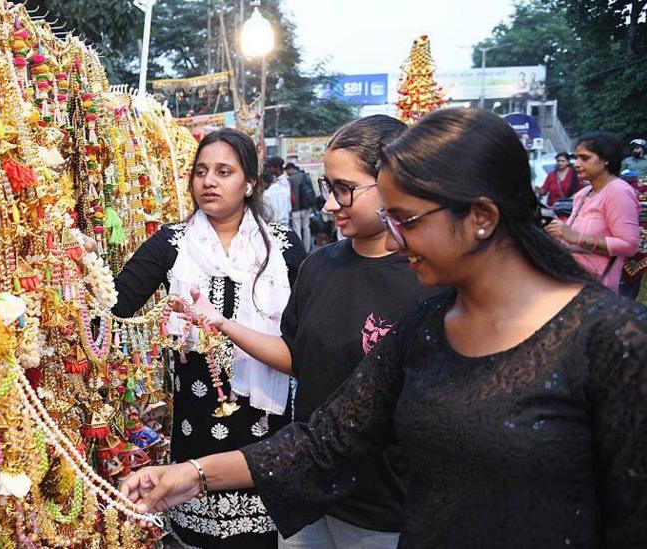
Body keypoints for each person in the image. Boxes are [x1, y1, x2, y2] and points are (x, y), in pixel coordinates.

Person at [121, 108, 647, 547]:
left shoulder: (610, 340)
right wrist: (193, 474)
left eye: (407, 219)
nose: (393, 239)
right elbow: (331, 438)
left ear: (481, 217)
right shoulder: (427, 322)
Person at [172, 115, 438, 549]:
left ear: (395, 183)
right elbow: (298, 359)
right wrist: (223, 324)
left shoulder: (427, 279)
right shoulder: (320, 266)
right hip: (308, 493)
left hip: (384, 508)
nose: (329, 204)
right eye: (328, 187)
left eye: (344, 189)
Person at [112, 128, 307, 548]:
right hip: (195, 418)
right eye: (201, 172)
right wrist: (83, 274)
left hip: (267, 420)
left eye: (223, 171)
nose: (208, 182)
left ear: (249, 183)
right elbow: (117, 304)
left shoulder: (283, 248)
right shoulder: (172, 244)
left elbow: (306, 336)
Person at [546, 132, 641, 292]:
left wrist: (576, 237)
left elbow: (629, 245)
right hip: (572, 281)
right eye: (576, 158)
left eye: (585, 158)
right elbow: (570, 238)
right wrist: (558, 233)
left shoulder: (618, 191)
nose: (576, 164)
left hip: (597, 289)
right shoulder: (583, 194)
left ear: (605, 160)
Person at [287, 162, 316, 251]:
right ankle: (307, 248)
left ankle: (300, 250)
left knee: (297, 229)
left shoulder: (290, 179)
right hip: (306, 207)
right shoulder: (306, 176)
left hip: (296, 208)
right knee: (306, 228)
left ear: (290, 169)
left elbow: (290, 194)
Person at [263, 157, 291, 225]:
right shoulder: (276, 180)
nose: (269, 170)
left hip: (278, 220)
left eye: (270, 167)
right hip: (283, 220)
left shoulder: (284, 182)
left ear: (276, 168)